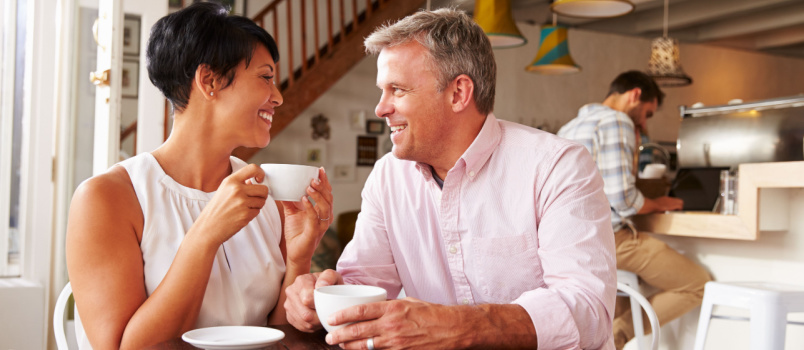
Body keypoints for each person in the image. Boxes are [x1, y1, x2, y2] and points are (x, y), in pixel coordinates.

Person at [284, 8, 617, 349]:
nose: (380, 108)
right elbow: (363, 282)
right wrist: (318, 297)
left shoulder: (557, 165)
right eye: (382, 91)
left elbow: (588, 312)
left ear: (458, 93)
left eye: (397, 90)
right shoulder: (388, 176)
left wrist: (456, 326)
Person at [65, 3, 334, 348]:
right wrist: (204, 236)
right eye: (266, 77)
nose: (278, 97)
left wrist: (299, 257)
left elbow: (278, 337)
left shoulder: (267, 195)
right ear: (209, 81)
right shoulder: (107, 198)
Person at [557, 71, 712, 349]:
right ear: (636, 94)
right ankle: (618, 333)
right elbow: (623, 198)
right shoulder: (617, 121)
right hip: (609, 240)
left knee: (612, 298)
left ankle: (606, 337)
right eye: (648, 113)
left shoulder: (569, 127)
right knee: (697, 284)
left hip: (571, 243)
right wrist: (659, 204)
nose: (644, 122)